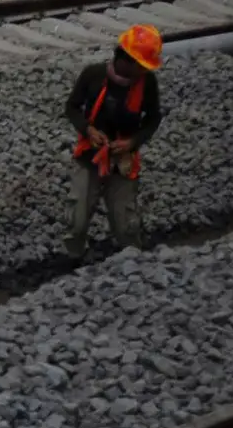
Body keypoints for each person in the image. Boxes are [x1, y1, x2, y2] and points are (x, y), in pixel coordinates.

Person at [65, 24, 164, 260]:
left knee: (125, 223)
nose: (144, 71)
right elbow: (71, 107)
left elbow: (153, 118)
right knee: (77, 219)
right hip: (90, 156)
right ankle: (74, 259)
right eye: (141, 65)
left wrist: (132, 142)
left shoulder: (147, 83)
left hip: (122, 160)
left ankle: (132, 260)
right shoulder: (93, 75)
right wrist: (88, 130)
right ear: (126, 60)